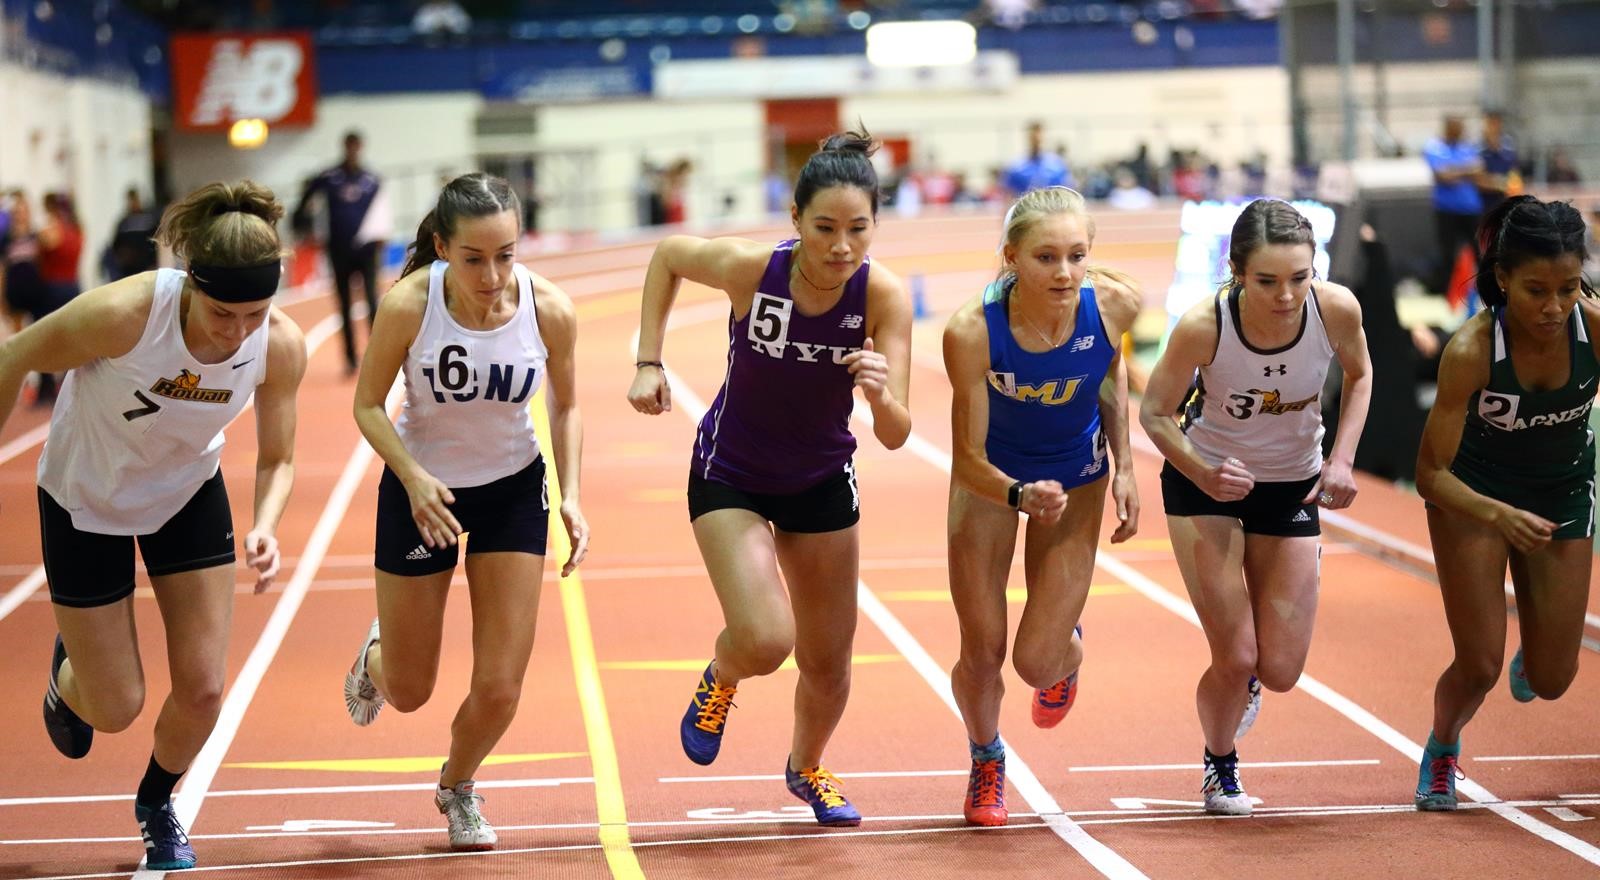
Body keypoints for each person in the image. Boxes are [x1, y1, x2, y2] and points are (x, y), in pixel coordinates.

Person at [0, 180, 307, 870]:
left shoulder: (278, 345)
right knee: (114, 709)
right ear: (191, 284)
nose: (236, 333)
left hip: (185, 495)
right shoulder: (126, 314)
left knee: (202, 688)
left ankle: (156, 805)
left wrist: (266, 524)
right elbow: (12, 355)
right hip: (87, 497)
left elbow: (280, 456)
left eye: (254, 314)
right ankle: (69, 674)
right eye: (222, 313)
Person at [626, 129, 912, 827]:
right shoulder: (754, 271)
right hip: (734, 472)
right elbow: (667, 255)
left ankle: (808, 766)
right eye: (824, 228)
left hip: (820, 477)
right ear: (795, 219)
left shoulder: (884, 297)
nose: (841, 246)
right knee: (763, 639)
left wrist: (880, 394)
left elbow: (899, 434)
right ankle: (721, 677)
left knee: (829, 664)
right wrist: (648, 360)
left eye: (858, 229)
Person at [341, 172, 589, 852]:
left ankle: (459, 786)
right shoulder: (409, 305)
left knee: (502, 684)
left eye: (505, 255)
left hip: (513, 487)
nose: (492, 274)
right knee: (412, 689)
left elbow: (566, 406)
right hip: (425, 491)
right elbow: (367, 404)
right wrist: (414, 477)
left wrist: (571, 496)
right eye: (474, 258)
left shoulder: (551, 309)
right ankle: (377, 656)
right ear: (443, 246)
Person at [1139, 198, 1371, 816]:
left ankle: (1245, 681)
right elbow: (1155, 413)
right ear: (1237, 271)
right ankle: (1220, 765)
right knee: (1237, 653)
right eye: (1268, 281)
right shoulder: (1203, 325)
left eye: (1300, 277)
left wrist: (1341, 460)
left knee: (1281, 670)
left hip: (1291, 484)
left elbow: (1361, 374)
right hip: (1205, 484)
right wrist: (1202, 471)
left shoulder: (1335, 309)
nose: (1287, 295)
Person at [943, 186, 1141, 827]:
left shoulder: (1116, 304)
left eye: (1076, 256)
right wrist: (1016, 493)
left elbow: (1112, 379)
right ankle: (986, 758)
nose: (1063, 273)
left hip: (1077, 478)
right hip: (990, 480)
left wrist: (1127, 469)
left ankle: (1067, 649)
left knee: (1035, 662)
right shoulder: (971, 331)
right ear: (1011, 259)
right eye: (1045, 257)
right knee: (982, 648)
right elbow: (966, 457)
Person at [1412, 196, 1597, 811]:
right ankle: (1442, 750)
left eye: (1569, 289)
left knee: (1552, 680)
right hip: (1473, 496)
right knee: (1480, 665)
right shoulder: (1471, 351)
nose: (1553, 307)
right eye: (1536, 290)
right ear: (1502, 280)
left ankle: (1542, 645)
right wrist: (1496, 513)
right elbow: (1430, 474)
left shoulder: (1593, 329)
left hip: (1563, 491)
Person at [294, 130, 384, 375]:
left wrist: (382, 237)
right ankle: (350, 358)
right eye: (349, 146)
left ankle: (377, 357)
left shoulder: (371, 179)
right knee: (344, 304)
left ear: (361, 147)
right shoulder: (329, 177)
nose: (353, 150)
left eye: (357, 146)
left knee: (372, 302)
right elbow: (304, 200)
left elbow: (381, 213)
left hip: (365, 250)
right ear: (344, 147)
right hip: (339, 249)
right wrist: (304, 227)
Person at [1423, 116, 1486, 295]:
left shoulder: (1468, 147)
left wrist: (1454, 170)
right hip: (1446, 210)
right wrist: (1466, 171)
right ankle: (1446, 293)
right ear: (1448, 127)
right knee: (1447, 254)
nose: (1460, 131)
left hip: (1471, 209)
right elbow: (1444, 176)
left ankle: (1484, 290)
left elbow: (1479, 170)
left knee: (1480, 252)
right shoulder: (1434, 147)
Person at [1004, 120, 1071, 198]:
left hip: (1051, 208)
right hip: (1024, 208)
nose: (1037, 140)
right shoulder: (1015, 167)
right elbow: (1008, 194)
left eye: (1039, 137)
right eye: (1033, 137)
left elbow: (1066, 191)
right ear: (1028, 138)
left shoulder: (1057, 165)